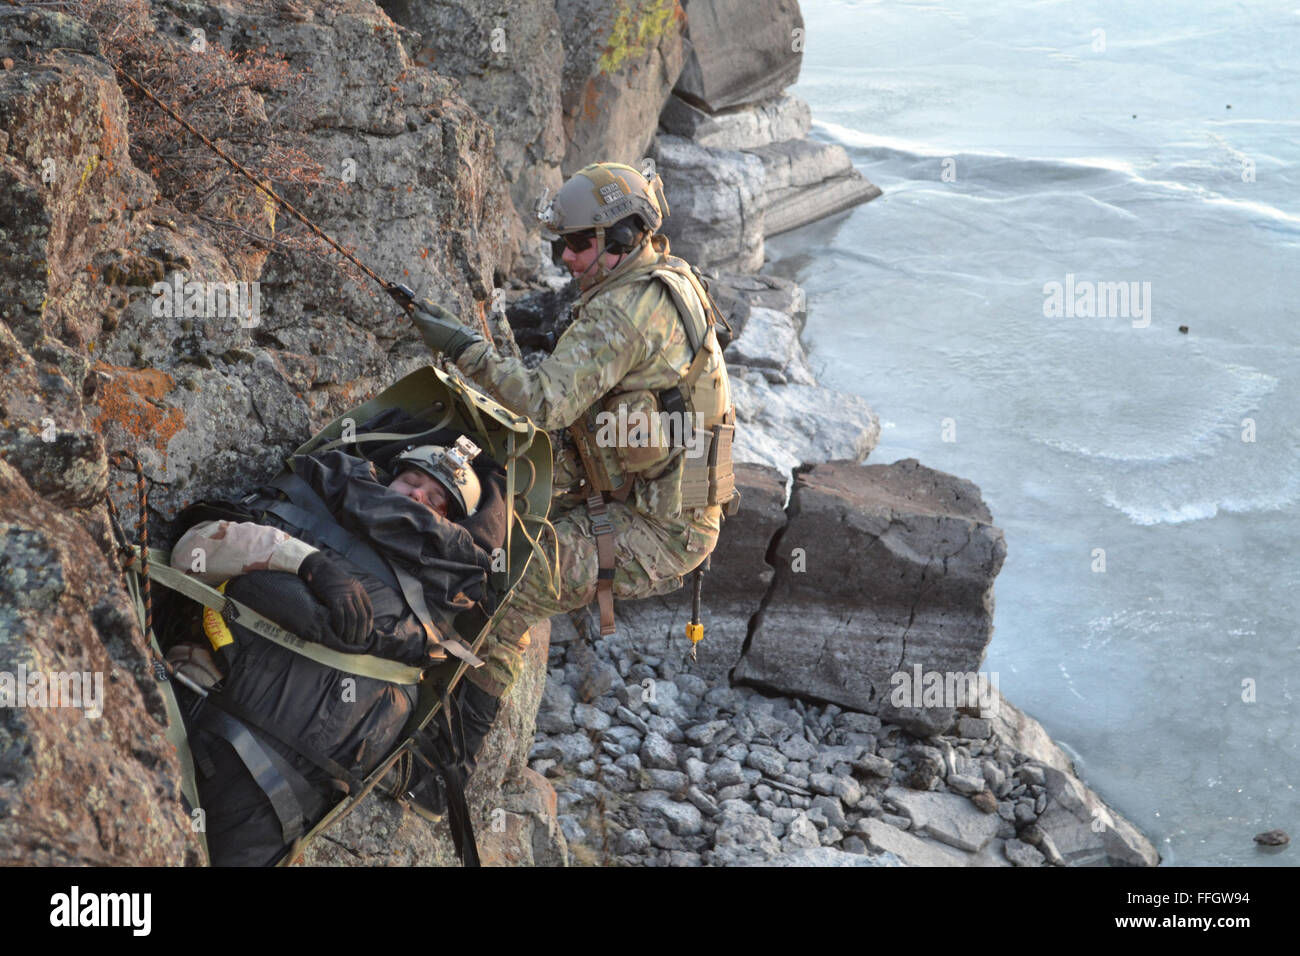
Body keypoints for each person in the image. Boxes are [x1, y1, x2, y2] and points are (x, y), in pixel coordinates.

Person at [403, 161, 739, 773]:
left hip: (660, 529)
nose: (568, 259)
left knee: (504, 592)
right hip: (643, 491)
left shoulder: (624, 313)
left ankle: (438, 770)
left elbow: (545, 401)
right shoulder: (669, 276)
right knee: (489, 504)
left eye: (580, 244)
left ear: (623, 237)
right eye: (561, 245)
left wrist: (459, 347)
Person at [163, 437, 506, 865]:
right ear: (387, 477)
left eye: (437, 499)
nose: (420, 495)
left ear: (453, 523)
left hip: (277, 803)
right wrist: (305, 563)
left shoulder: (446, 608)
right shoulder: (310, 509)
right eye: (413, 481)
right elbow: (191, 552)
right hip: (187, 718)